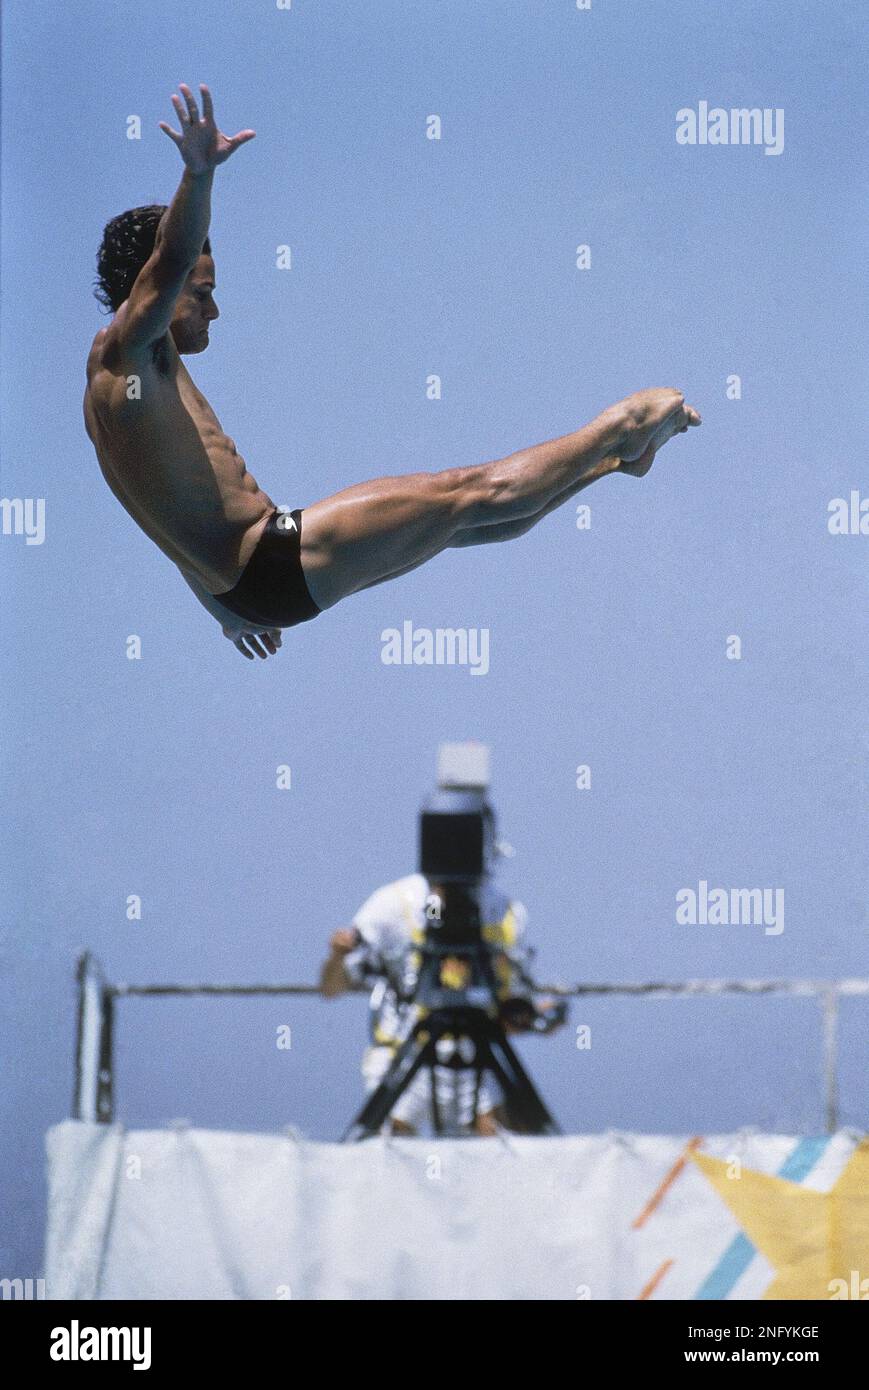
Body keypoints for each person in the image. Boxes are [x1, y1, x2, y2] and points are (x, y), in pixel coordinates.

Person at [85, 83, 701, 660]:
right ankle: (623, 423)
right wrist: (198, 175)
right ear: (152, 289)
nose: (214, 309)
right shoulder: (132, 347)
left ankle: (617, 460)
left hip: (247, 586)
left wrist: (222, 608)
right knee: (467, 491)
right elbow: (170, 263)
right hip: (270, 557)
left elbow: (163, 516)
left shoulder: (112, 394)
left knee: (462, 523)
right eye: (203, 292)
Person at [321, 872, 553, 1137]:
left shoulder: (505, 912)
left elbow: (509, 1010)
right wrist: (339, 955)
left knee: (506, 1143)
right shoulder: (395, 903)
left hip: (475, 1051)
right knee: (388, 1148)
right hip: (404, 1052)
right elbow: (331, 987)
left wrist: (528, 1017)